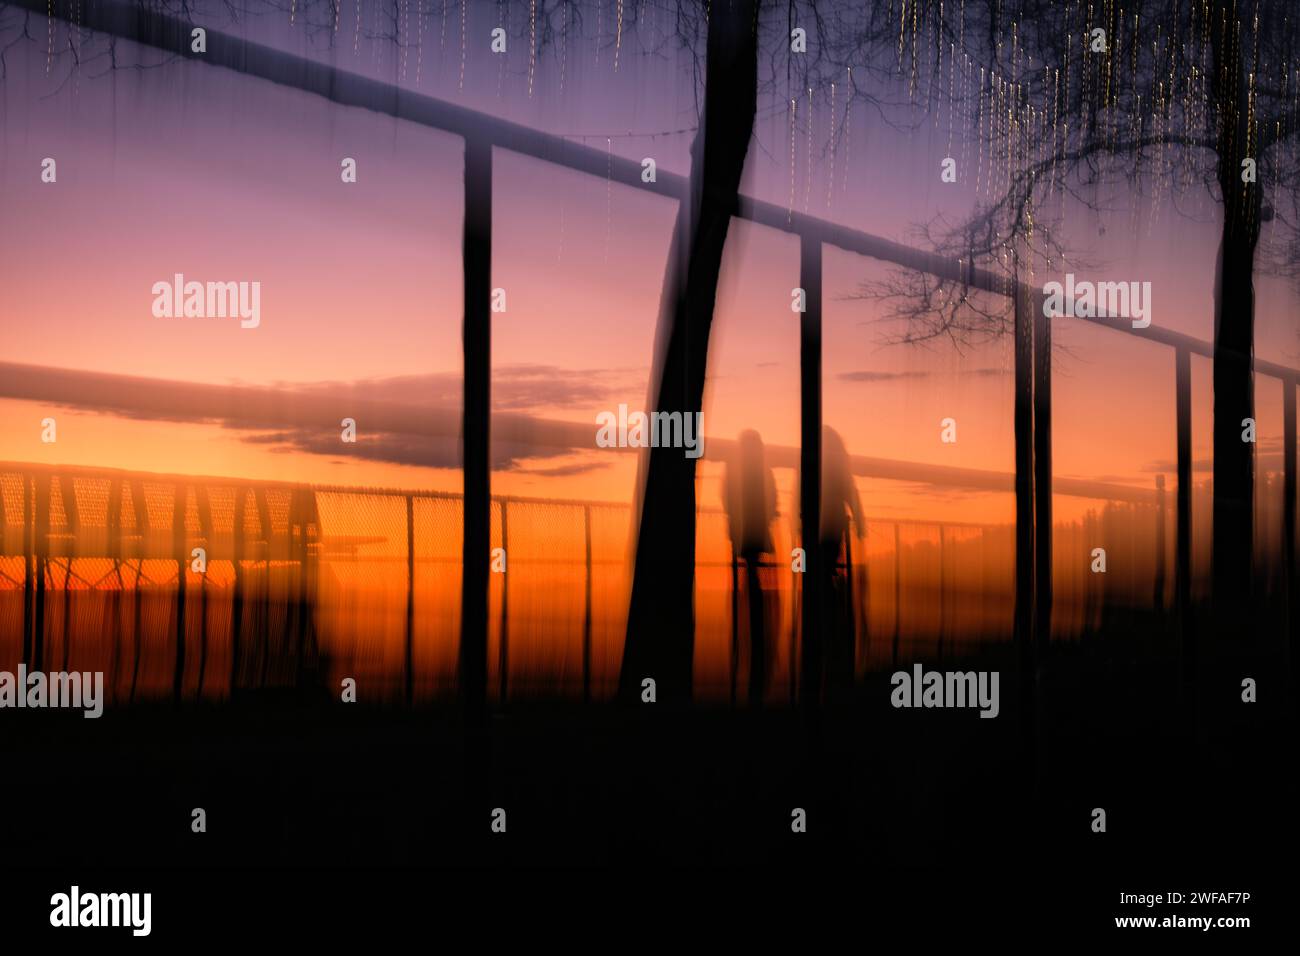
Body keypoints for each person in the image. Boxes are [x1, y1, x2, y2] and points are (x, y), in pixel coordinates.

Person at [723, 430, 778, 709]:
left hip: (743, 531)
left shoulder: (734, 467)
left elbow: (728, 498)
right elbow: (772, 498)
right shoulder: (763, 469)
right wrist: (770, 515)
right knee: (754, 568)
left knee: (748, 569)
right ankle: (755, 605)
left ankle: (748, 602)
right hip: (757, 529)